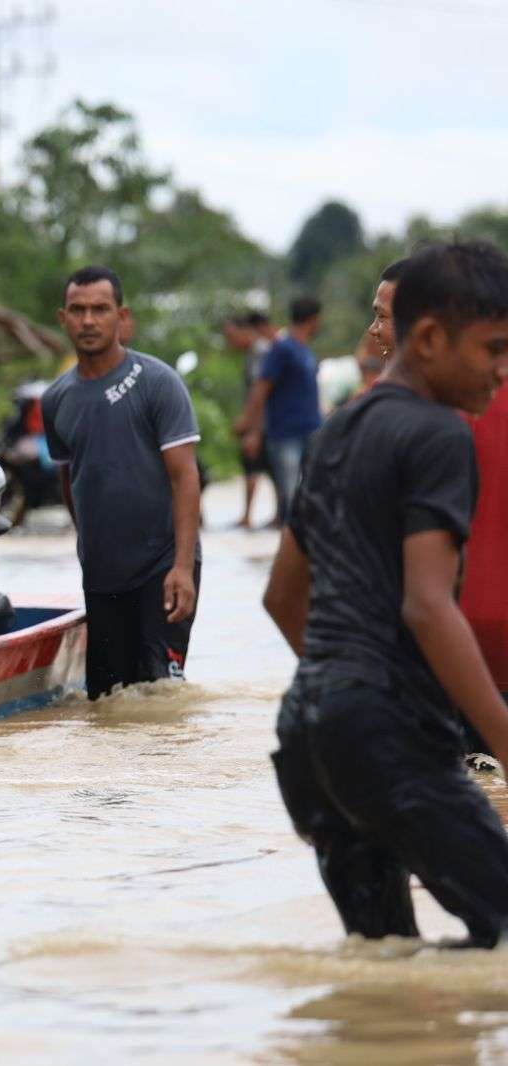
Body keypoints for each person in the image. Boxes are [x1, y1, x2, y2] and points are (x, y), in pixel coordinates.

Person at [262, 239, 508, 947]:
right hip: (387, 732)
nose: (501, 368)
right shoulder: (437, 435)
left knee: (385, 957)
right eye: (492, 348)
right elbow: (428, 606)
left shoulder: (336, 428)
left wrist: (340, 690)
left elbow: (282, 596)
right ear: (429, 338)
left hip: (308, 731)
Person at [42, 266, 203, 699]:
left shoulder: (157, 382)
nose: (89, 320)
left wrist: (183, 567)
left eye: (100, 309)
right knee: (107, 703)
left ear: (121, 316)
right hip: (102, 575)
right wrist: (86, 547)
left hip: (162, 567)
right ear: (63, 319)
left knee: (158, 697)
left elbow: (185, 477)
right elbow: (69, 478)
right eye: (78, 310)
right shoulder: (56, 399)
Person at [239, 297, 323, 526]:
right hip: (286, 433)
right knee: (292, 496)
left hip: (310, 430)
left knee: (310, 492)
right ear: (313, 319)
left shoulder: (303, 348)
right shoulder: (283, 348)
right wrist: (253, 431)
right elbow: (261, 389)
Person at [220, 315, 270, 528]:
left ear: (244, 330)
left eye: (232, 336)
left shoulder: (260, 352)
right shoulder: (255, 352)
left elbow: (259, 393)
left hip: (264, 421)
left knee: (252, 463)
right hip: (263, 420)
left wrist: (252, 428)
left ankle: (249, 515)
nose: (230, 342)